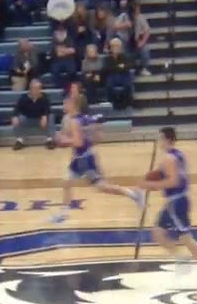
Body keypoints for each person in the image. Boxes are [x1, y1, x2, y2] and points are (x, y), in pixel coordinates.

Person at [49, 89, 144, 224]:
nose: (64, 104)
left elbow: (78, 142)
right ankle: (63, 214)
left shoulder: (75, 121)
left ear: (74, 105)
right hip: (84, 157)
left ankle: (135, 195)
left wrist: (63, 140)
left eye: (67, 102)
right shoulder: (85, 119)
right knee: (68, 183)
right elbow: (98, 138)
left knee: (101, 187)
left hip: (84, 159)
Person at [138, 127, 197, 274]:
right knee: (157, 232)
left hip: (177, 203)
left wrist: (151, 184)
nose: (158, 141)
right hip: (176, 202)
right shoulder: (178, 154)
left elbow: (173, 182)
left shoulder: (169, 159)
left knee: (185, 237)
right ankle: (181, 257)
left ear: (167, 140)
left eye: (160, 138)